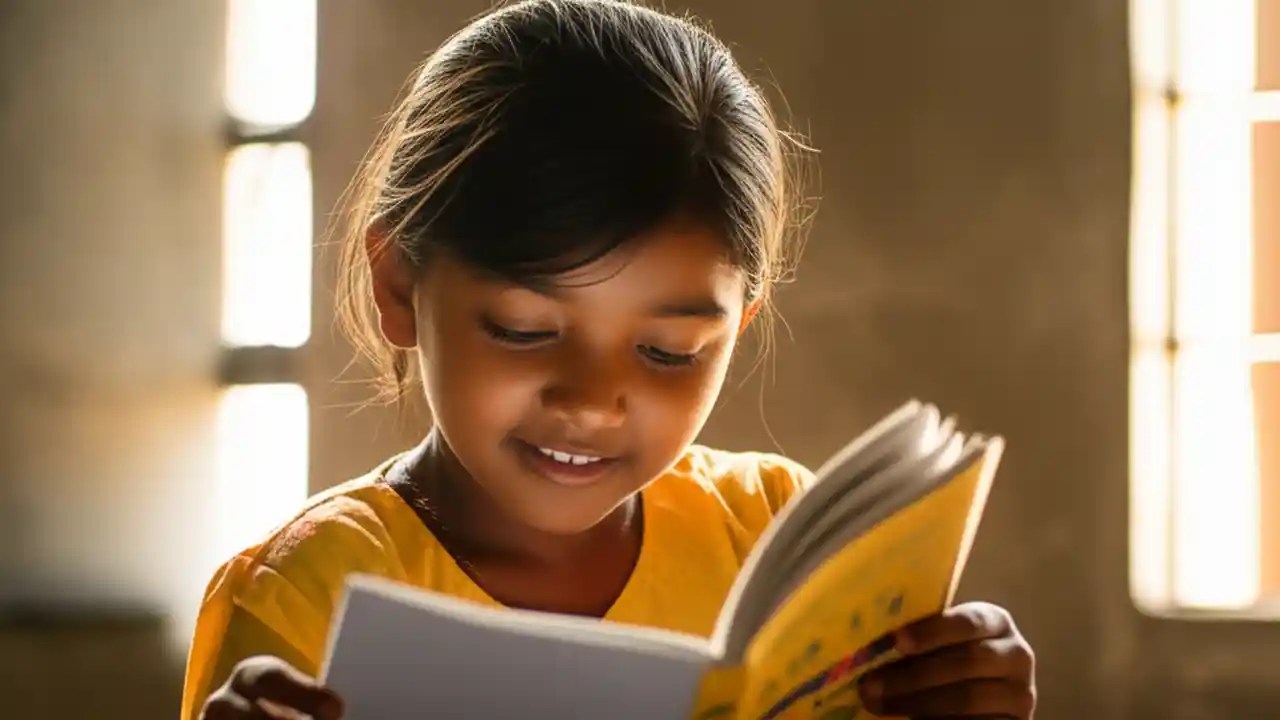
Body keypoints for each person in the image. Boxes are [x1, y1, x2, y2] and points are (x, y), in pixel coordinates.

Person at [186, 1, 1036, 718]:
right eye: (524, 330)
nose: (594, 403)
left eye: (667, 351)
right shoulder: (304, 593)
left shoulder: (777, 533)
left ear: (737, 328)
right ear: (401, 285)